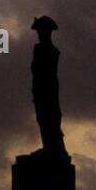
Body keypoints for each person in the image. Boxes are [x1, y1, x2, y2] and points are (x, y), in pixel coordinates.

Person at [30, 16, 67, 156]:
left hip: (47, 88)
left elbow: (44, 72)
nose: (39, 34)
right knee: (43, 118)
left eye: (41, 31)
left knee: (49, 117)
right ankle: (50, 147)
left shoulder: (48, 51)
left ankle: (54, 148)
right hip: (42, 88)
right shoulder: (42, 49)